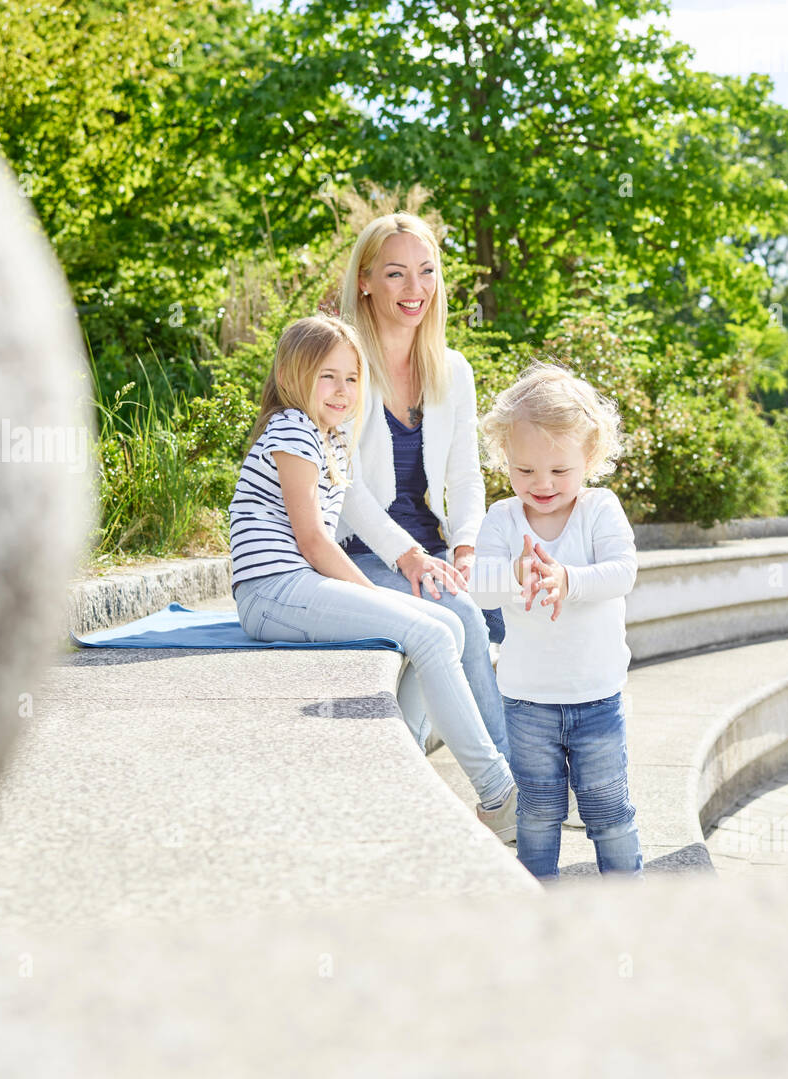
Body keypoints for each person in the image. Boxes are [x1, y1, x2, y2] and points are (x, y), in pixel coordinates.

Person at [229, 314, 517, 839]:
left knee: (449, 627)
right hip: (271, 591)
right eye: (327, 377)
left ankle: (396, 777)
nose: (342, 391)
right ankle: (501, 795)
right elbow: (312, 540)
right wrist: (377, 599)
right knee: (429, 629)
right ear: (295, 376)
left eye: (352, 378)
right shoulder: (293, 428)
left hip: (295, 586)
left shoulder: (331, 436)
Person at [335, 212, 509, 769]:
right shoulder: (341, 364)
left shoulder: (452, 369)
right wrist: (411, 559)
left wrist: (464, 546)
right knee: (459, 616)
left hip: (432, 550)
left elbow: (465, 477)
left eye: (427, 271)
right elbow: (346, 489)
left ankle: (400, 768)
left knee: (522, 600)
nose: (416, 290)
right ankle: (514, 786)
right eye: (395, 274)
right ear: (364, 280)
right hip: (360, 553)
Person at [470, 363, 644, 881]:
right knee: (538, 814)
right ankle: (536, 907)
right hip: (527, 703)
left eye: (558, 471)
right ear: (505, 459)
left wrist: (566, 579)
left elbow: (623, 572)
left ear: (589, 457)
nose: (541, 484)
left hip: (597, 698)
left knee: (609, 815)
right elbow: (478, 587)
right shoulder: (503, 520)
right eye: (524, 471)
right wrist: (517, 571)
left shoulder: (599, 511)